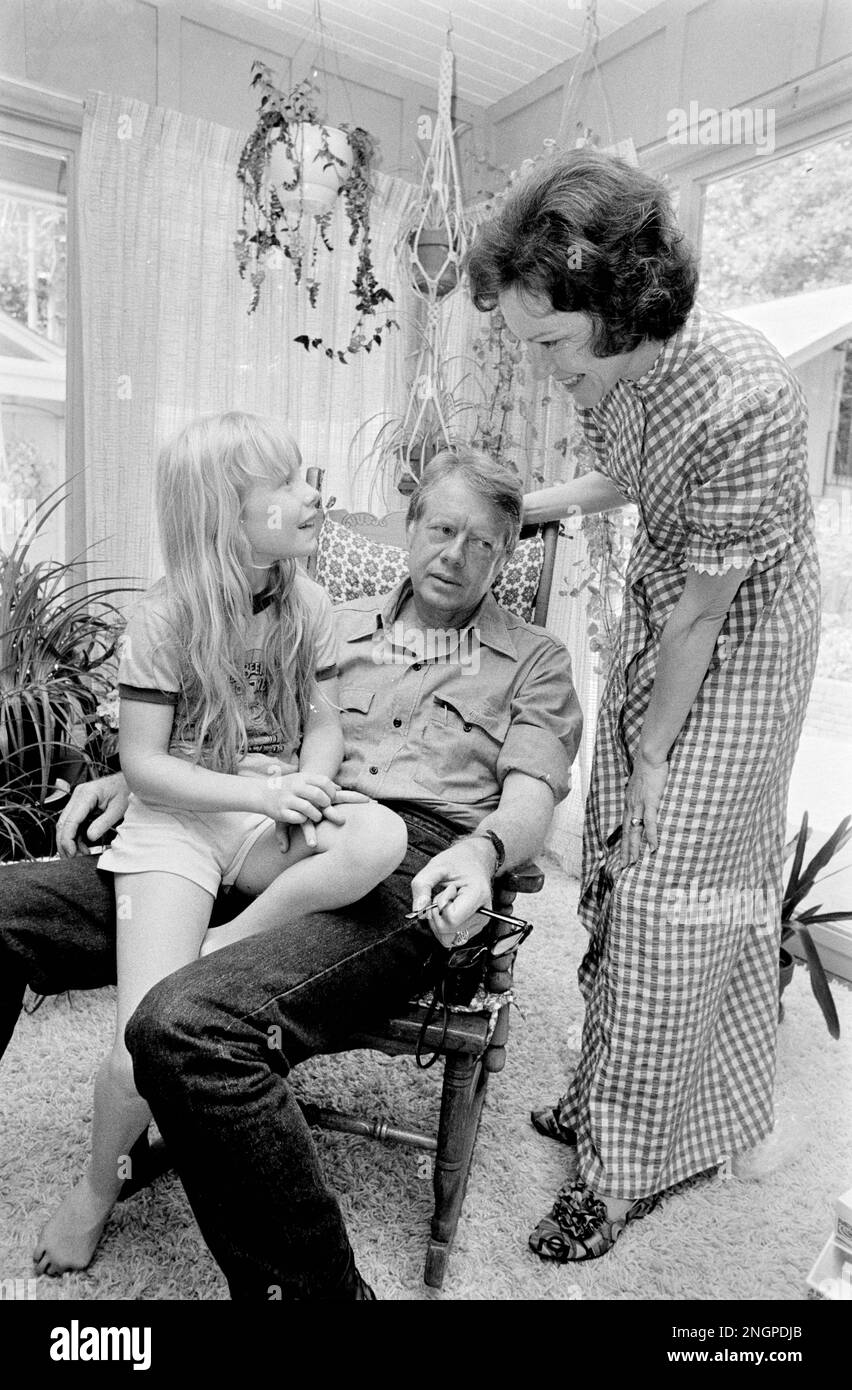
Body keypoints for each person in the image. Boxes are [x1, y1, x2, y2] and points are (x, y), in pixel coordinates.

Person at [1, 447, 583, 1299]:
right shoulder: (323, 617)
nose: (457, 555)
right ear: (411, 527)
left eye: (484, 544)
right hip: (259, 825)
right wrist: (139, 775)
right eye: (442, 529)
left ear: (506, 557)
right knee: (8, 906)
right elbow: (218, 719)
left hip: (410, 868)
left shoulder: (537, 660)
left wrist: (483, 853)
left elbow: (532, 801)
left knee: (185, 1021)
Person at [465, 149, 820, 1262]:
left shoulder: (747, 396)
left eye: (551, 346)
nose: (541, 372)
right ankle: (606, 1092)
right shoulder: (619, 374)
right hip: (671, 610)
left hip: (740, 643)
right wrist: (526, 507)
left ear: (621, 304)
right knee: (619, 869)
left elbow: (708, 618)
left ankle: (622, 1172)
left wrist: (656, 751)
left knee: (672, 892)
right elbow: (635, 476)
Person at [33, 410, 409, 1276]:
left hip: (261, 810)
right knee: (140, 1042)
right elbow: (146, 768)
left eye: (306, 476)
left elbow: (323, 725)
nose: (313, 495)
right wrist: (261, 792)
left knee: (379, 836)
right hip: (177, 820)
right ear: (223, 517)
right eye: (285, 484)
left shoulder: (310, 605)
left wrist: (308, 784)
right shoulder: (165, 618)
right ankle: (95, 1189)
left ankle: (217, 949)